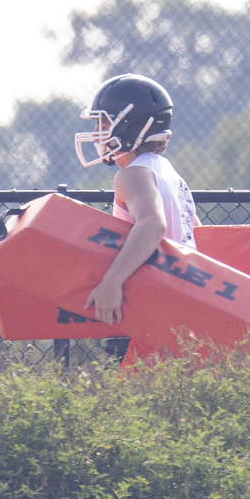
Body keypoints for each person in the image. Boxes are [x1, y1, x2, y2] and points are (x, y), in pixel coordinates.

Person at [77, 74, 198, 331]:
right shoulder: (169, 172)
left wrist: (111, 282)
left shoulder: (132, 174)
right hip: (187, 295)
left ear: (131, 127)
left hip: (153, 301)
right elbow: (196, 230)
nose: (96, 133)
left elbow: (152, 224)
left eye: (102, 123)